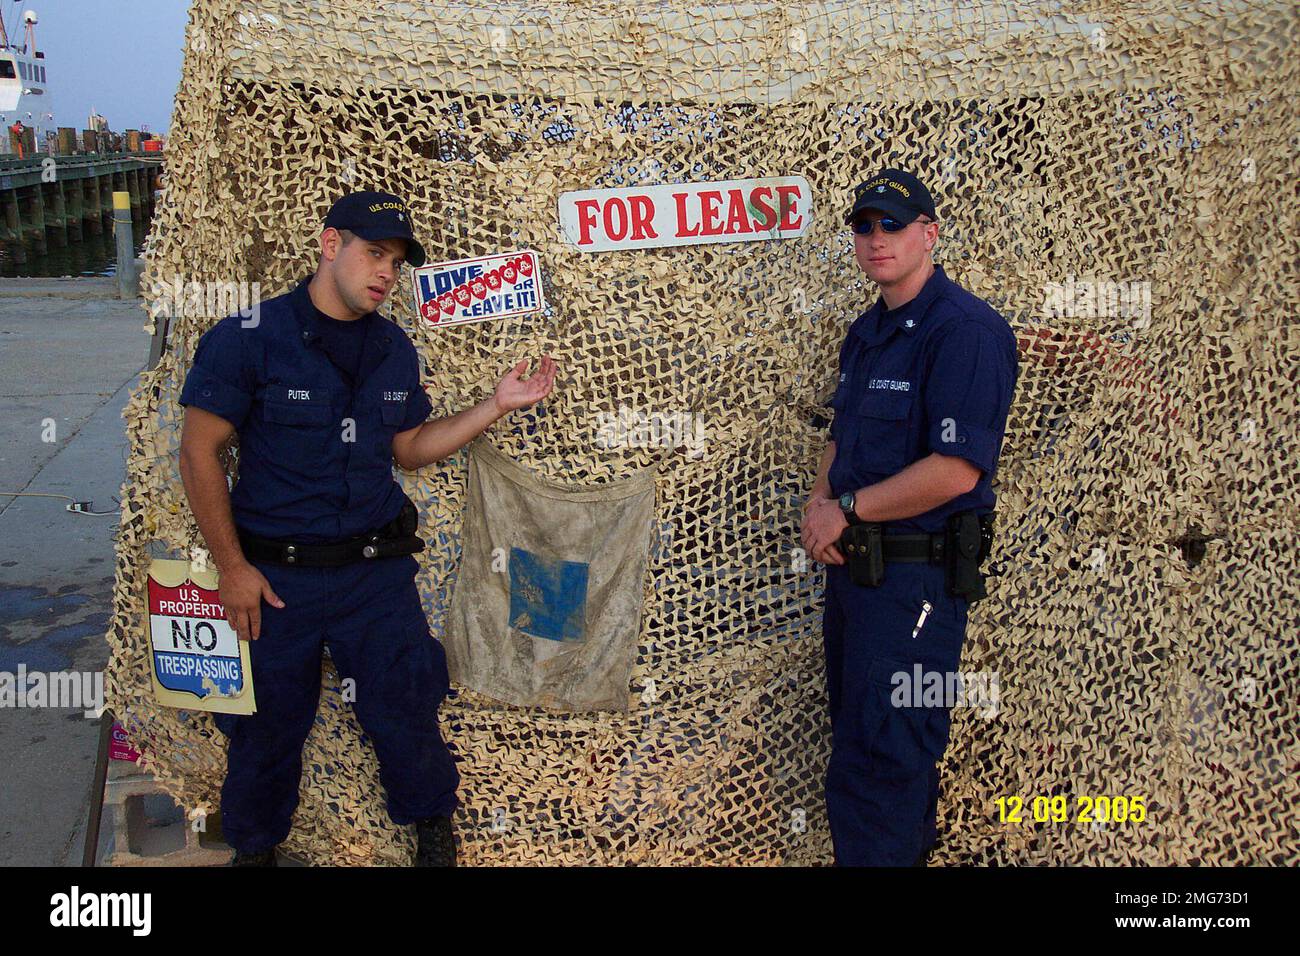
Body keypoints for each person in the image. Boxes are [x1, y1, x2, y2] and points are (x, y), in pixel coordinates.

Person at [178, 190, 557, 866]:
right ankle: (255, 850)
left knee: (406, 709)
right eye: (375, 253)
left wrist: (495, 406)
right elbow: (197, 452)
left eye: (397, 262)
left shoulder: (392, 349)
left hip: (374, 576)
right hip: (275, 580)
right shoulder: (248, 338)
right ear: (331, 245)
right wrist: (232, 569)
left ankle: (432, 829)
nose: (386, 272)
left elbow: (408, 448)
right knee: (264, 728)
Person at [800, 168, 1018, 866]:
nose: (877, 239)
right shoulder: (866, 333)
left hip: (917, 590)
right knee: (868, 751)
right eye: (864, 226)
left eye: (893, 224)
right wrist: (819, 501)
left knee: (883, 763)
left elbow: (956, 470)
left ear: (929, 233)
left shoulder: (966, 332)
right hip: (857, 581)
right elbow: (842, 439)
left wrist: (847, 510)